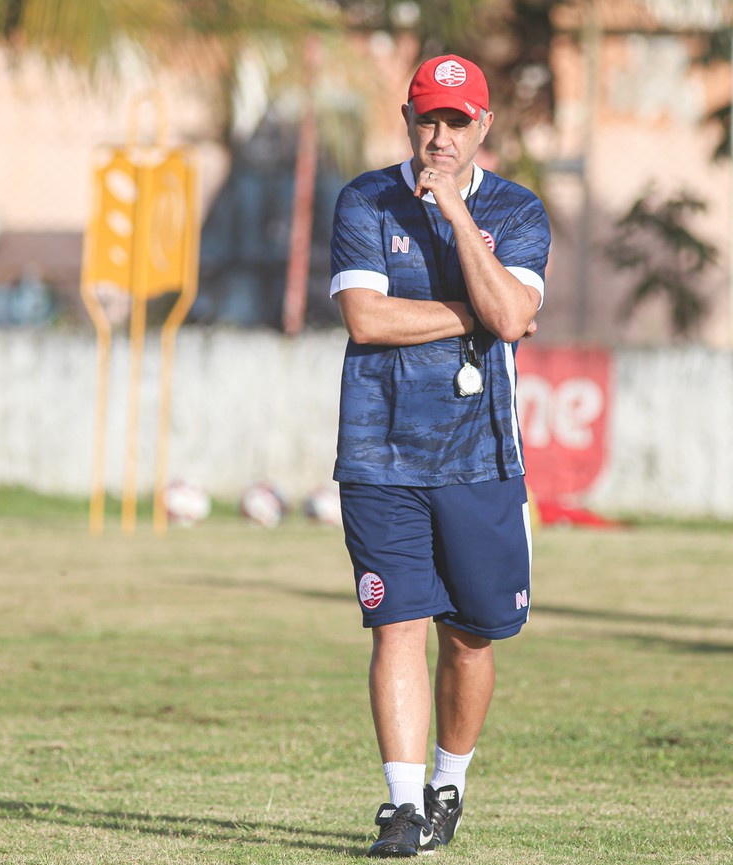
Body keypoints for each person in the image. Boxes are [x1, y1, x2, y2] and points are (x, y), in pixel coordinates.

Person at [328, 54, 550, 857]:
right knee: (396, 627)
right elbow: (367, 318)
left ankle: (447, 782)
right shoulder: (364, 199)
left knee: (470, 636)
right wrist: (475, 313)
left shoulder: (518, 212)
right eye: (430, 119)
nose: (441, 136)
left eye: (458, 121)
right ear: (408, 120)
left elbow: (514, 315)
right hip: (379, 455)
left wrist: (456, 212)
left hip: (482, 459)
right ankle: (401, 806)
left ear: (483, 125)